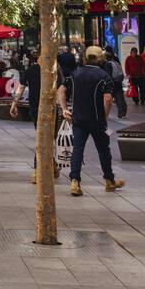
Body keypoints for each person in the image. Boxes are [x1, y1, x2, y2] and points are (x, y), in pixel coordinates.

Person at [57, 45, 125, 197]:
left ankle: (75, 181)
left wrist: (64, 109)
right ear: (101, 59)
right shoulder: (103, 76)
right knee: (103, 150)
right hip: (97, 120)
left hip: (78, 119)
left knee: (78, 149)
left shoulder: (75, 74)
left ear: (85, 57)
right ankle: (109, 180)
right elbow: (107, 99)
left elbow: (61, 90)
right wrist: (104, 117)